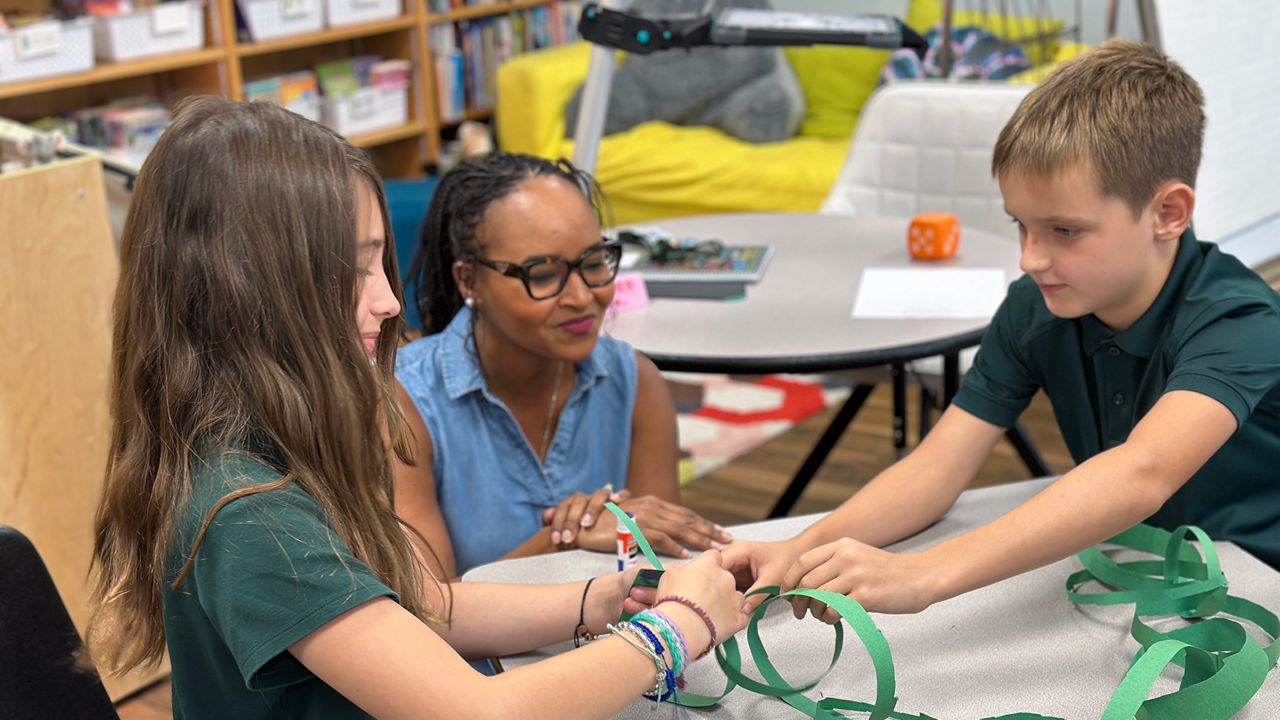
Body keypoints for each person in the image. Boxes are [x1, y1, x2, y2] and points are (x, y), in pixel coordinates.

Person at [88, 97, 747, 719]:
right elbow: (476, 710)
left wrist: (606, 599)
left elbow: (429, 603)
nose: (389, 302)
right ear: (253, 289)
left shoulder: (282, 444)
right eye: (357, 270)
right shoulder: (249, 510)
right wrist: (679, 626)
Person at [724, 40, 1280, 620]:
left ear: (1168, 213)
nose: (1030, 259)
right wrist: (797, 549)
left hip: (1251, 587)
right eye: (1021, 225)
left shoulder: (1240, 319)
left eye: (1064, 230)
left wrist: (924, 572)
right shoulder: (1037, 306)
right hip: (1138, 571)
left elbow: (1142, 473)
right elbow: (938, 466)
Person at [396, 153, 733, 577]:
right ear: (468, 280)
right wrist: (567, 536)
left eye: (593, 263)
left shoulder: (635, 382)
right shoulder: (401, 402)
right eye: (542, 274)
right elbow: (429, 613)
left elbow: (660, 569)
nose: (581, 296)